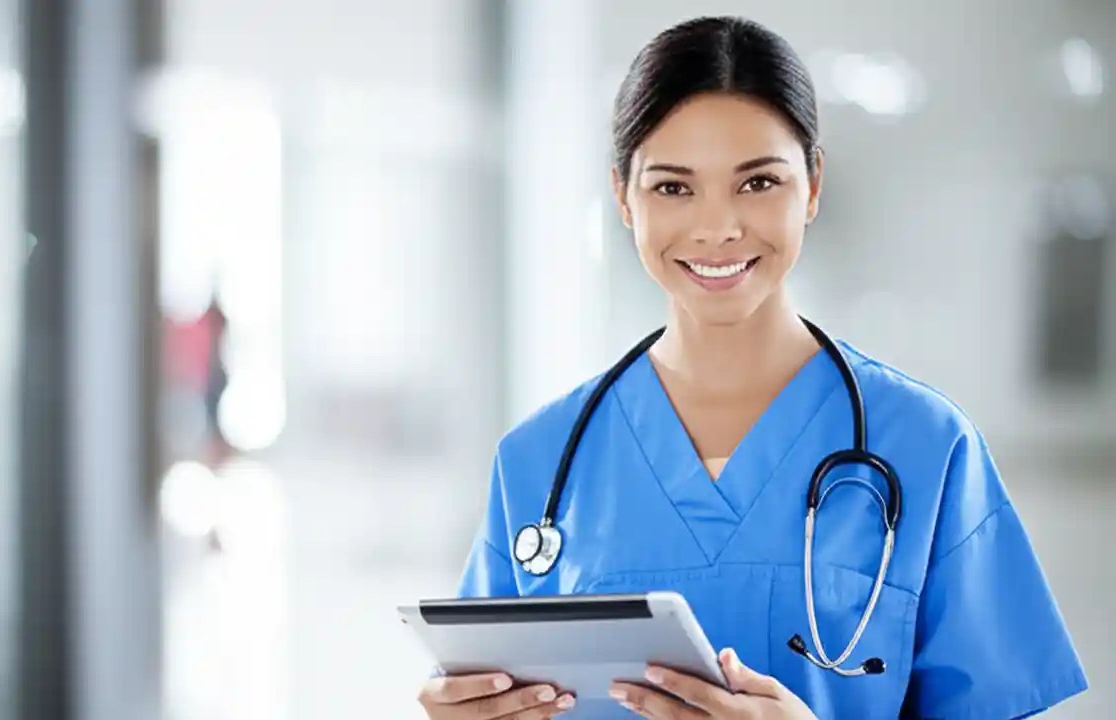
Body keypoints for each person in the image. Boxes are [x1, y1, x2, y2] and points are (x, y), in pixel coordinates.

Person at [416, 15, 1089, 720]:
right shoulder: (539, 460)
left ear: (813, 184)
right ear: (622, 197)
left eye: (758, 182)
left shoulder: (926, 445)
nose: (718, 228)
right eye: (674, 188)